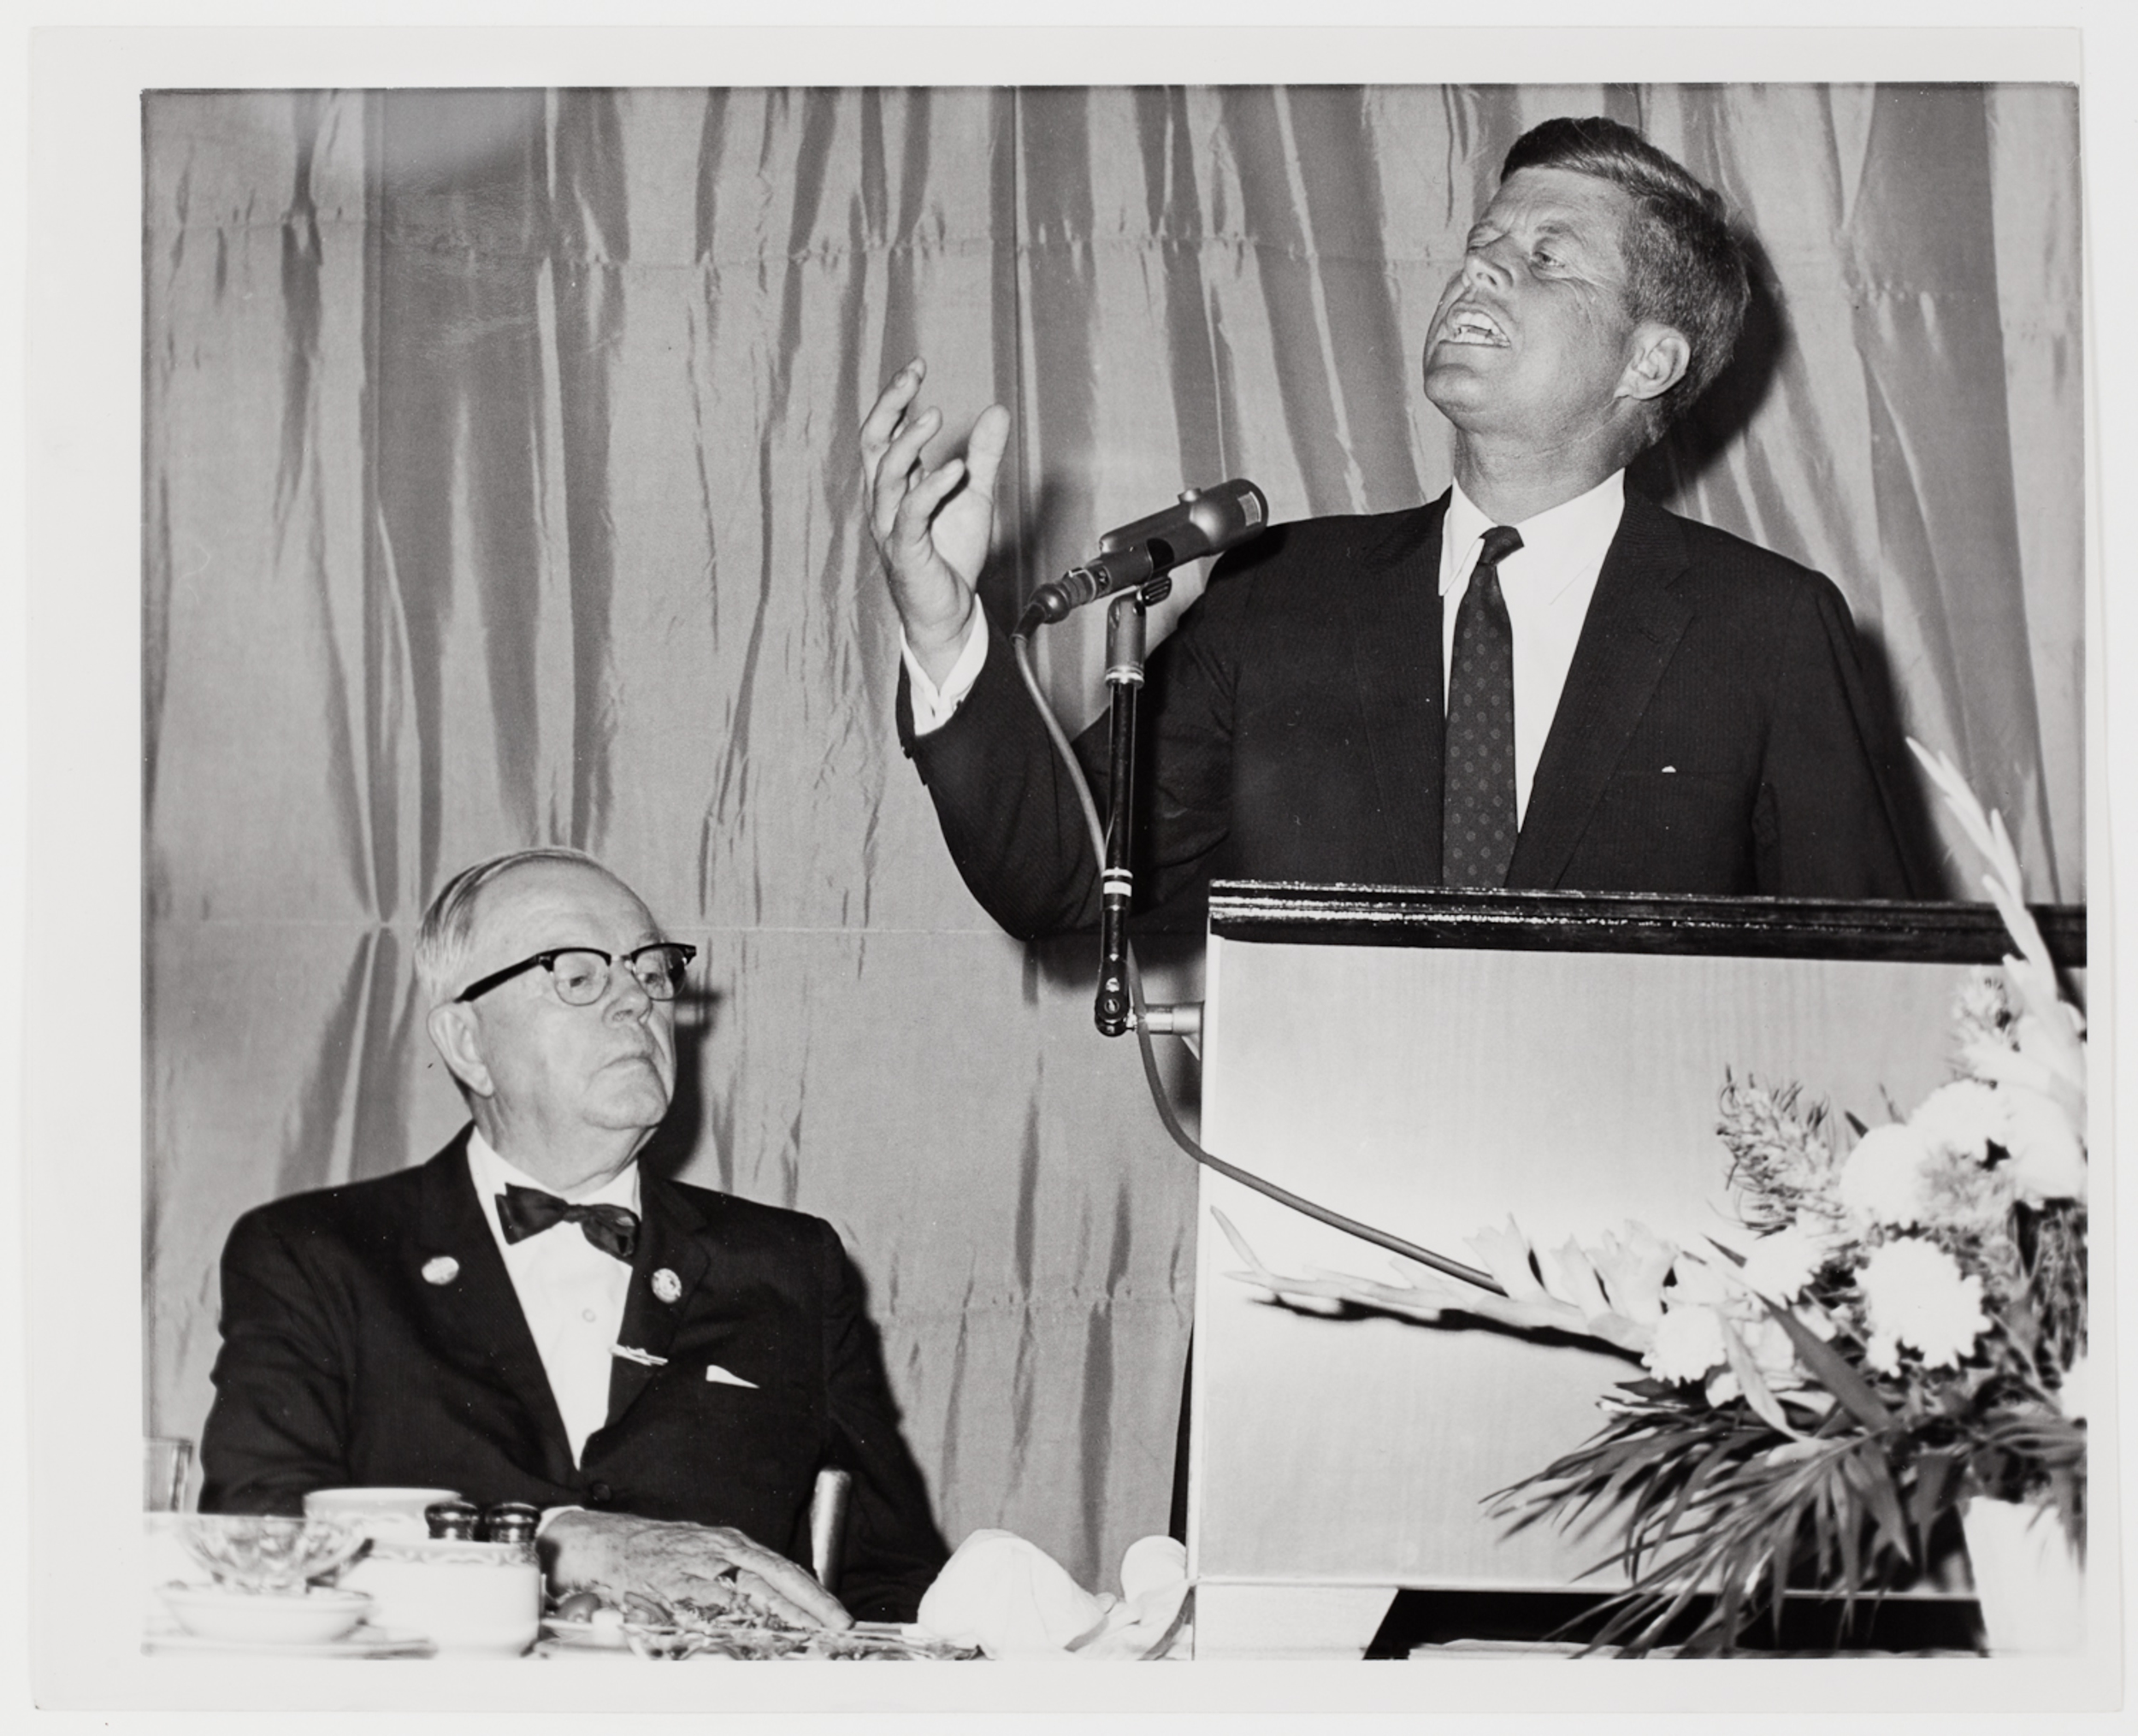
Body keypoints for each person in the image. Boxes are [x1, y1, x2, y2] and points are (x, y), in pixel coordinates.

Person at [860, 115, 1924, 937]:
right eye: (1481, 242)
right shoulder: (1279, 593)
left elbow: (1867, 991)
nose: (1480, 269)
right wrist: (946, 628)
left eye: (1547, 257)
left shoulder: (1768, 630)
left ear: (1649, 361)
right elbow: (1060, 877)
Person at [198, 847, 946, 1626]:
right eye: (579, 976)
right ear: (467, 1043)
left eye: (651, 971)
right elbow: (263, 1528)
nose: (636, 1002)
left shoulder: (789, 1265)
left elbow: (891, 1581)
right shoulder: (317, 1255)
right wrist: (550, 1544)